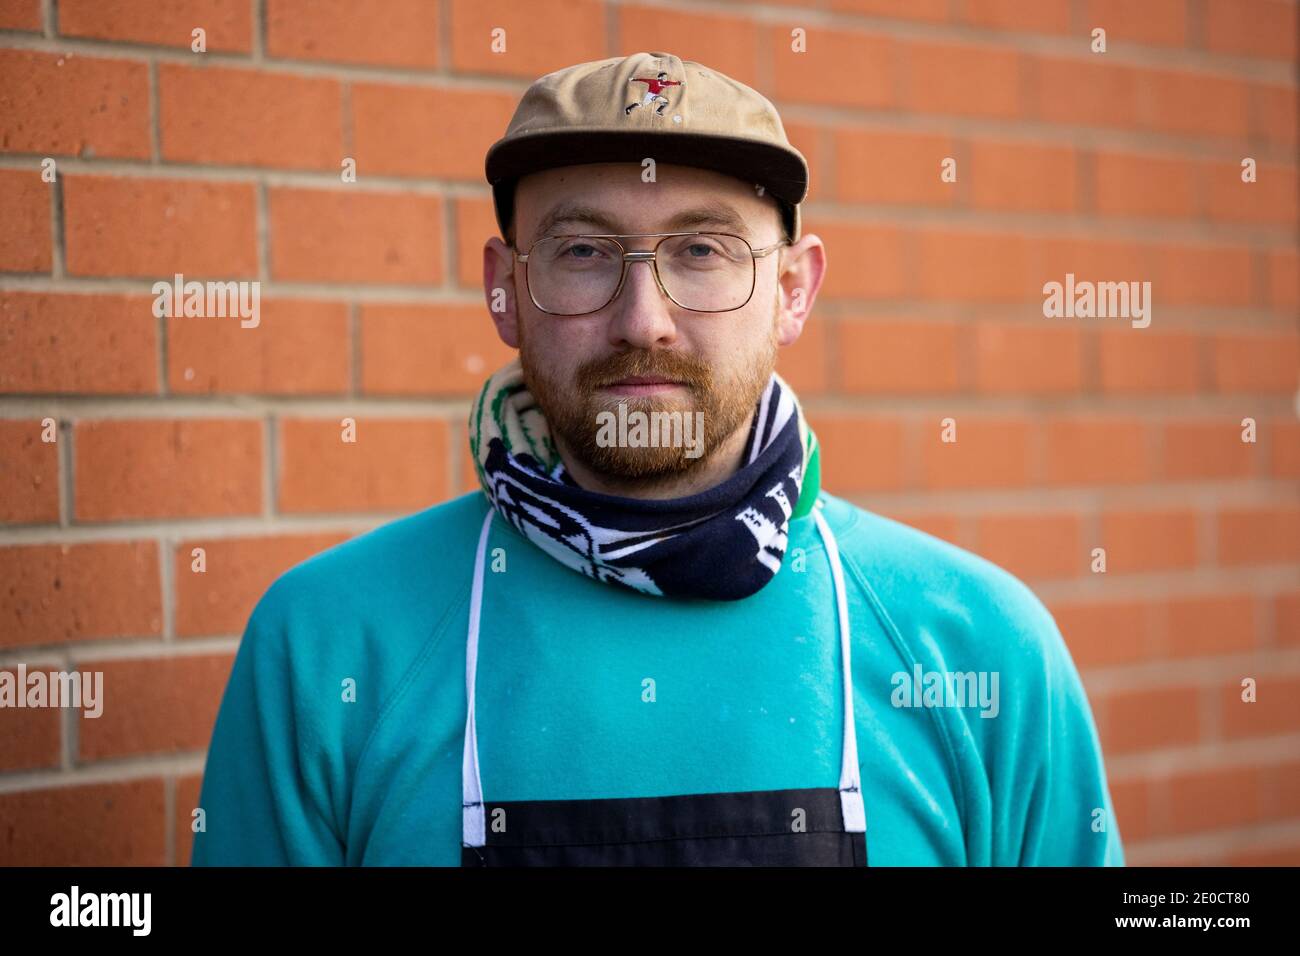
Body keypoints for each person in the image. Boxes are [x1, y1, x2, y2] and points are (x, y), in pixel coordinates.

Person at [192, 52, 1124, 866]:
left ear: (794, 292)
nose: (644, 319)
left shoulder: (981, 651)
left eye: (704, 249)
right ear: (504, 289)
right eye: (586, 250)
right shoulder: (325, 645)